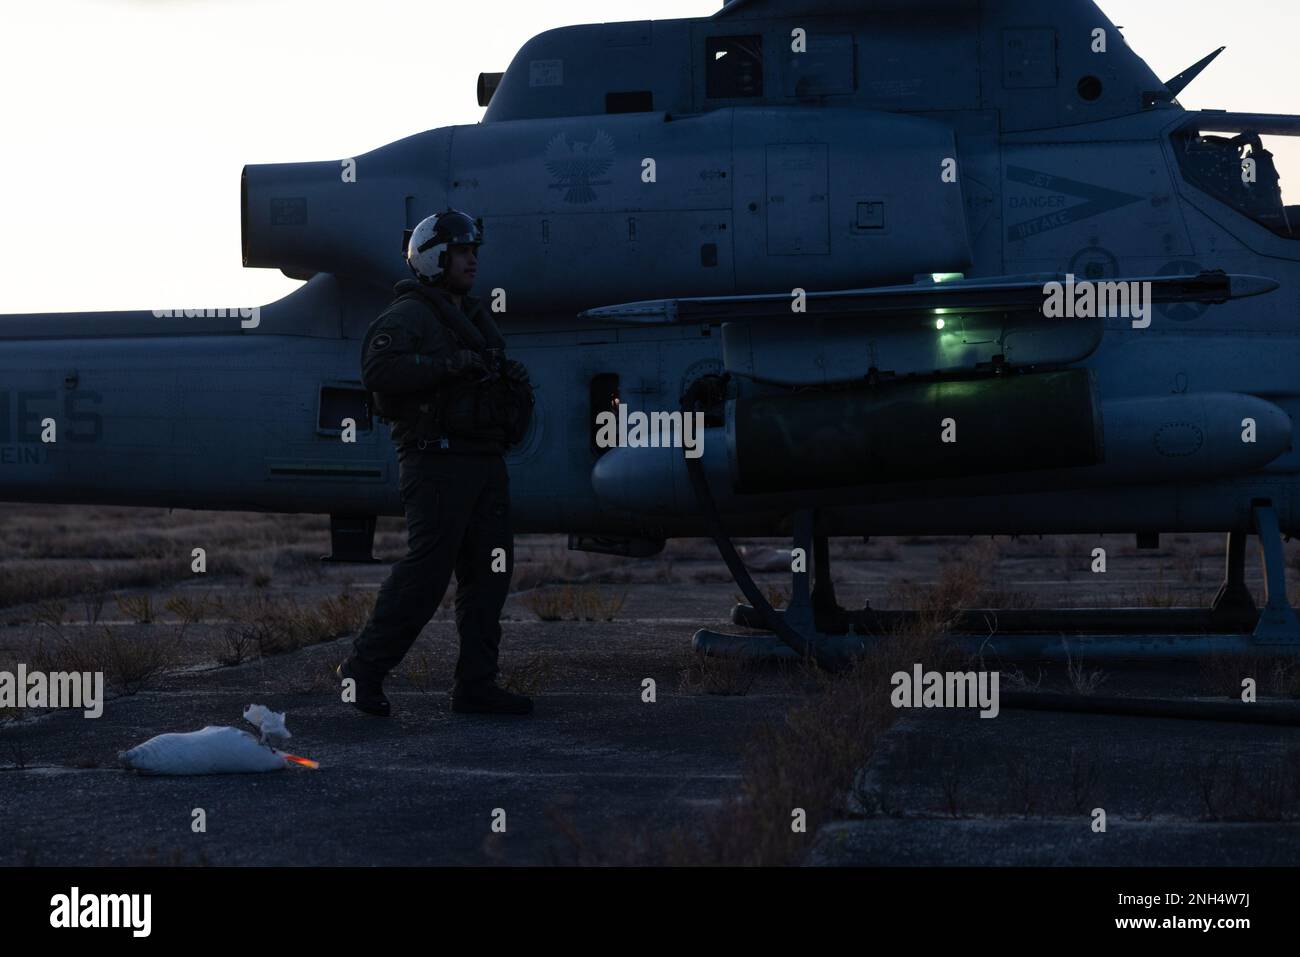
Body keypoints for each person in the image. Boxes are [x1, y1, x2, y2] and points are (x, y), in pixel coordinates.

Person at [337, 208, 534, 716]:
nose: (472, 260)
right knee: (427, 574)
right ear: (435, 258)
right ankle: (362, 672)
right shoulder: (411, 315)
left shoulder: (470, 315)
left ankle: (476, 685)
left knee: (490, 574)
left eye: (473, 251)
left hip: (483, 460)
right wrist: (449, 366)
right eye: (463, 251)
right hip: (436, 461)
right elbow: (379, 368)